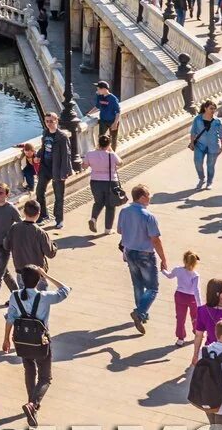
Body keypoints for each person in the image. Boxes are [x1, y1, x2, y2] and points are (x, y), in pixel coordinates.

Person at [0, 265, 69, 429]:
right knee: (45, 377)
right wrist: (47, 276)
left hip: (21, 341)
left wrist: (6, 339)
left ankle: (33, 407)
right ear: (39, 280)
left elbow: (10, 318)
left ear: (22, 280)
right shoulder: (44, 296)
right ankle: (32, 404)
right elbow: (65, 290)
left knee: (29, 370)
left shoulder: (15, 296)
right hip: (41, 342)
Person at [115, 184, 166, 335]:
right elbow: (155, 239)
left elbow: (119, 230)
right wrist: (163, 258)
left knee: (137, 284)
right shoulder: (148, 216)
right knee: (152, 288)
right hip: (145, 254)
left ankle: (142, 313)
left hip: (129, 252)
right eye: (148, 195)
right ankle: (140, 312)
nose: (150, 198)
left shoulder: (124, 211)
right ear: (142, 197)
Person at [4, 200, 57, 289]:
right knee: (40, 300)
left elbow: (6, 246)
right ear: (38, 213)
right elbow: (50, 253)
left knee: (24, 299)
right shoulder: (41, 233)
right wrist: (54, 246)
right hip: (38, 273)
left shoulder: (14, 228)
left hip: (21, 272)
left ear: (24, 212)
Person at [31, 114, 72, 229]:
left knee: (59, 196)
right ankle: (43, 215)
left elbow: (66, 155)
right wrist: (38, 155)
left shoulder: (62, 137)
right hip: (45, 167)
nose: (49, 123)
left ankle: (59, 219)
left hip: (57, 169)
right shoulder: (45, 133)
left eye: (51, 121)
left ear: (56, 121)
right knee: (39, 192)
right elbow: (44, 147)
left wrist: (65, 172)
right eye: (47, 121)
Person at [162, 251, 203, 345]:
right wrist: (200, 305)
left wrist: (163, 270)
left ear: (184, 260)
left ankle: (180, 338)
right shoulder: (195, 275)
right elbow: (196, 290)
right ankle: (197, 331)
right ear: (195, 263)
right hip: (192, 298)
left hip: (179, 296)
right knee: (195, 316)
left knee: (180, 318)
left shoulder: (178, 270)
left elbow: (169, 275)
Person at [85, 134, 122, 235]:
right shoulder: (111, 155)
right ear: (109, 144)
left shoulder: (90, 154)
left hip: (95, 182)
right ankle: (108, 229)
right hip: (111, 182)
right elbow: (120, 163)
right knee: (110, 205)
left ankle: (93, 218)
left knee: (98, 202)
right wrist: (112, 151)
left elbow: (84, 165)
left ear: (98, 143)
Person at [188, 102, 222, 190]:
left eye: (214, 109)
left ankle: (209, 182)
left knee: (210, 165)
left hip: (213, 146)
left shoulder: (217, 121)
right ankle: (201, 178)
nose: (213, 110)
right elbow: (193, 132)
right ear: (205, 108)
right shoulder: (198, 119)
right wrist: (192, 142)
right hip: (200, 145)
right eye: (211, 108)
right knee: (198, 162)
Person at [93, 81, 121, 149]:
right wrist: (88, 113)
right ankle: (101, 152)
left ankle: (113, 153)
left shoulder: (113, 99)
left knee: (113, 138)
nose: (97, 90)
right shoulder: (99, 96)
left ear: (104, 89)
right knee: (101, 137)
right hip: (103, 121)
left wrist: (115, 123)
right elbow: (97, 106)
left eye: (99, 89)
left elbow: (118, 112)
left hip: (112, 121)